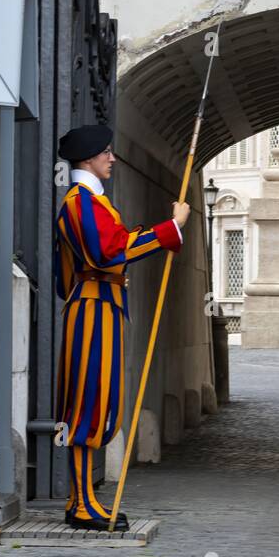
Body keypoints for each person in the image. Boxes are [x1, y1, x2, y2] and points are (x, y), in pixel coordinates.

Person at [53, 124, 190, 531]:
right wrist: (171, 230)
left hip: (103, 306)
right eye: (106, 152)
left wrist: (166, 232)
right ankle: (81, 505)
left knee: (99, 400)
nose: (112, 158)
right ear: (88, 159)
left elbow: (116, 243)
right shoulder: (81, 203)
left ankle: (84, 499)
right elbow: (109, 252)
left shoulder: (93, 202)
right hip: (94, 308)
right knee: (87, 404)